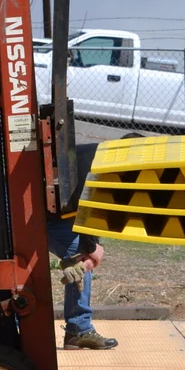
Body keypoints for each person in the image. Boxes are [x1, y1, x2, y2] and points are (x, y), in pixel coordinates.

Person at [48, 142, 118, 350]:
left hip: (59, 214)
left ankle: (78, 329)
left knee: (84, 254)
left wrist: (94, 245)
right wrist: (91, 248)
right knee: (79, 255)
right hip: (37, 214)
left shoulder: (103, 159)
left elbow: (97, 207)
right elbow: (84, 205)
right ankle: (79, 329)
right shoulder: (93, 162)